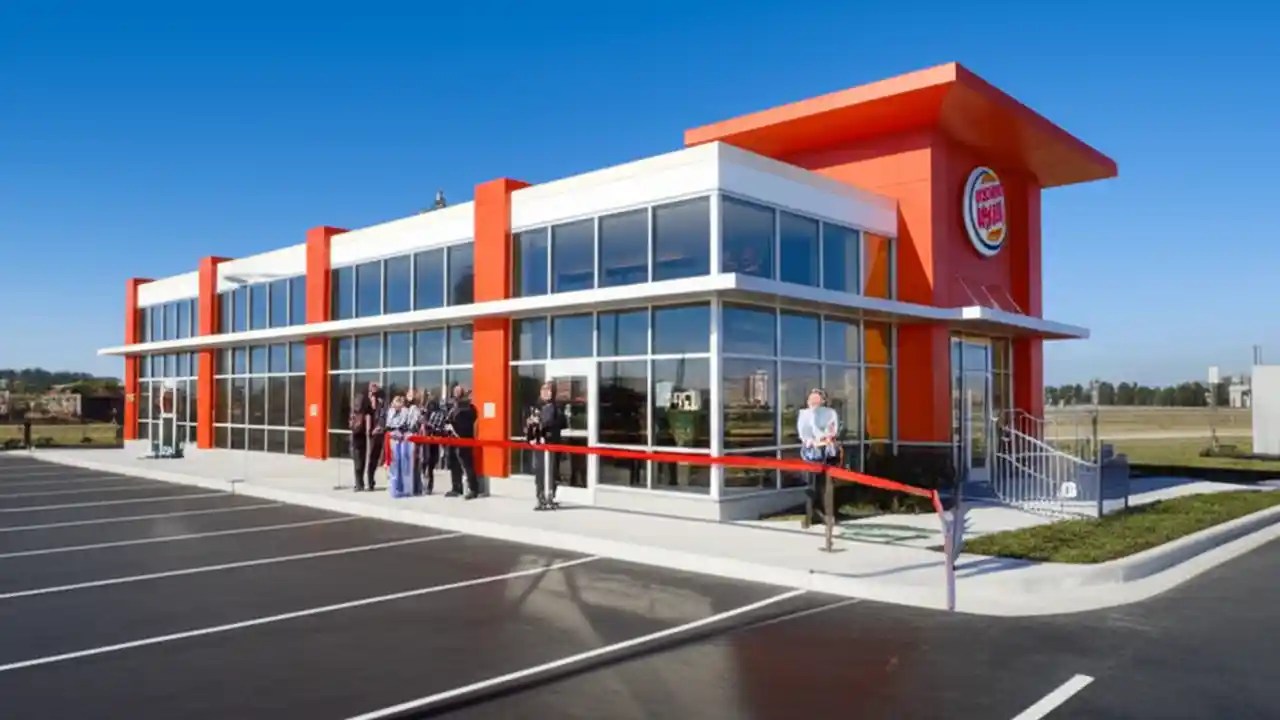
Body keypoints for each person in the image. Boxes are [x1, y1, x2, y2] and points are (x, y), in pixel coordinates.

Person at [797, 387, 841, 524]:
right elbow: (803, 434)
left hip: (827, 452)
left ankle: (827, 514)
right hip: (811, 453)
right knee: (811, 485)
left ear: (823, 400)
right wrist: (811, 441)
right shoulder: (804, 414)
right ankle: (811, 515)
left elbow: (832, 430)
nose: (813, 401)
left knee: (826, 485)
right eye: (811, 398)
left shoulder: (830, 413)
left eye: (817, 398)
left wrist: (826, 438)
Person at [526, 381, 566, 511]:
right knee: (540, 472)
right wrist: (531, 425)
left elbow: (560, 424)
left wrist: (543, 424)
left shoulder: (557, 408)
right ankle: (540, 498)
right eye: (543, 389)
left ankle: (550, 497)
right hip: (539, 445)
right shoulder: (536, 407)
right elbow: (529, 427)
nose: (546, 392)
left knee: (552, 472)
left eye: (549, 390)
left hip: (552, 444)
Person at [349, 381, 386, 492]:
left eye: (376, 386)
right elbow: (355, 413)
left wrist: (379, 426)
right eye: (372, 386)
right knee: (359, 458)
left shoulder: (381, 401)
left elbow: (383, 415)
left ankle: (370, 481)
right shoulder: (361, 398)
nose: (374, 388)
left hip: (375, 433)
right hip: (360, 432)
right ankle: (359, 483)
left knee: (373, 458)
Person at [443, 385, 478, 500]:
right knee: (454, 464)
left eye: (457, 392)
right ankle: (456, 487)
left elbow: (466, 423)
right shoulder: (454, 407)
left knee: (467, 465)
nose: (455, 395)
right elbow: (449, 419)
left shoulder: (468, 408)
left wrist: (454, 426)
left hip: (464, 440)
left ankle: (473, 489)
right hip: (453, 440)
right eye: (455, 392)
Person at [385, 395, 417, 498]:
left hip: (404, 440)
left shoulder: (405, 411)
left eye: (399, 403)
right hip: (393, 439)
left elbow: (406, 425)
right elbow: (389, 424)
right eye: (395, 403)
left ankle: (405, 488)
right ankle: (395, 488)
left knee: (404, 463)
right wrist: (393, 430)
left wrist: (400, 430)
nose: (397, 406)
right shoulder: (391, 412)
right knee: (394, 463)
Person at [419, 390, 447, 495]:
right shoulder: (425, 412)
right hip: (424, 440)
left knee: (430, 464)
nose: (430, 405)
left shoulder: (440, 413)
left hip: (433, 440)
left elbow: (438, 427)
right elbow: (418, 423)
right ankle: (422, 485)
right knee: (423, 463)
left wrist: (428, 425)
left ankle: (429, 487)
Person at [402, 389, 425, 495]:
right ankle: (415, 486)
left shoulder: (410, 409)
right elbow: (416, 423)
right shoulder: (414, 409)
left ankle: (413, 486)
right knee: (414, 462)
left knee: (412, 462)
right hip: (413, 437)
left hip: (410, 437)